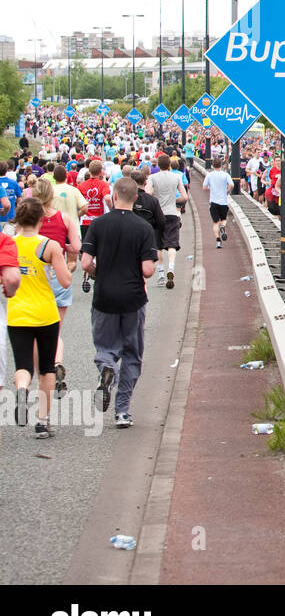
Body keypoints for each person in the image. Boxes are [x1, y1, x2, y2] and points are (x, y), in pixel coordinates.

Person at [82, 177, 158, 428]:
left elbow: (85, 263)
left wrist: (98, 273)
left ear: (113, 197)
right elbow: (147, 270)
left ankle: (107, 368)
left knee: (105, 346)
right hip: (133, 298)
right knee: (132, 354)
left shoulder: (98, 225)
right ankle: (122, 411)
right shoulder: (143, 228)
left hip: (104, 295)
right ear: (136, 198)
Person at [8, 198, 72, 437]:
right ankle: (42, 421)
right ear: (40, 219)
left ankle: (22, 388)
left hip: (17, 313)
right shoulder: (50, 246)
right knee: (46, 368)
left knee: (23, 365)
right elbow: (65, 281)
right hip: (46, 313)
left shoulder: (8, 245)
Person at [32, 178, 80, 397]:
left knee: (34, 330)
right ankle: (57, 362)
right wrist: (63, 246)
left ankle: (43, 371)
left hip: (35, 275)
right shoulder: (64, 218)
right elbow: (77, 247)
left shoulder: (32, 220)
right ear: (52, 195)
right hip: (58, 272)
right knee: (56, 328)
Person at [146, 153, 185, 289]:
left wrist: (157, 200)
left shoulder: (152, 177)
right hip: (172, 212)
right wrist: (172, 200)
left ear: (158, 164)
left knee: (158, 245)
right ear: (169, 165)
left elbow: (148, 193)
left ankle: (161, 274)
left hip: (158, 213)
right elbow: (184, 196)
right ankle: (171, 269)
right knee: (172, 244)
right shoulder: (177, 177)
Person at [203, 156, 233, 248]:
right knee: (223, 219)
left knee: (215, 222)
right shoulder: (225, 175)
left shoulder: (209, 175)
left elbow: (204, 187)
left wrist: (211, 189)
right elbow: (232, 185)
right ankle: (223, 227)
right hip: (223, 201)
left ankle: (218, 241)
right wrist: (227, 191)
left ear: (212, 165)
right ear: (221, 165)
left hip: (213, 201)